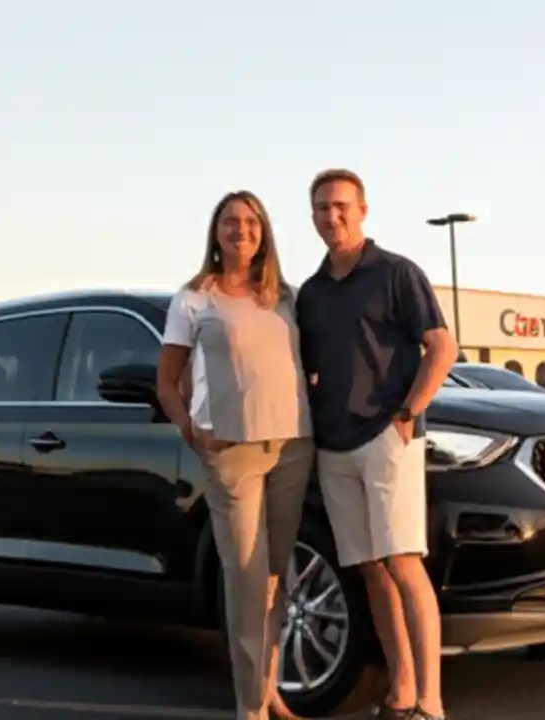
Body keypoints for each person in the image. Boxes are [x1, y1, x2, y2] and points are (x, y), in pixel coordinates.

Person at [296, 169, 458, 720]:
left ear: (362, 210)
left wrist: (408, 413)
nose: (332, 215)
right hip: (334, 447)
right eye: (322, 207)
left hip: (387, 439)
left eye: (341, 205)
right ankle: (402, 693)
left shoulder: (396, 273)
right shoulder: (312, 293)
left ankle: (431, 703)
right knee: (370, 569)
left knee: (404, 563)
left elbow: (442, 346)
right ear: (313, 217)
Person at [155, 190, 315, 720]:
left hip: (292, 445)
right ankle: (251, 709)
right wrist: (192, 432)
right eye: (230, 221)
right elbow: (167, 382)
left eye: (251, 221)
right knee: (246, 580)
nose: (241, 229)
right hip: (232, 452)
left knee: (274, 577)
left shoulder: (286, 298)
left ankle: (267, 688)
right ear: (216, 232)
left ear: (264, 232)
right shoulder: (194, 299)